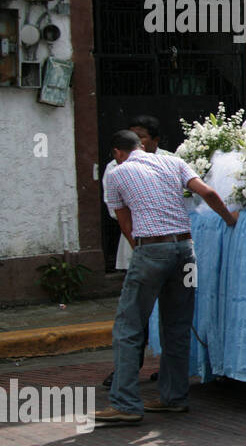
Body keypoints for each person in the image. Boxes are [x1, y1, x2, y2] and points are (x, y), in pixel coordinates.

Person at [95, 130, 238, 423]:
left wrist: (144, 252)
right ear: (142, 146)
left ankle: (125, 403)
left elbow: (126, 223)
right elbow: (208, 193)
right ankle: (174, 397)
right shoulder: (173, 163)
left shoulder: (117, 174)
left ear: (118, 152)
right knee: (178, 325)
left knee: (128, 326)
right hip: (186, 251)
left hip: (152, 249)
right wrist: (230, 219)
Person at [101, 114, 178, 387]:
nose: (138, 143)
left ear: (155, 140)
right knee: (136, 313)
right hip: (138, 240)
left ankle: (168, 369)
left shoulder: (171, 160)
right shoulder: (115, 167)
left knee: (170, 311)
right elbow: (119, 213)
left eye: (143, 137)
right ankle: (129, 369)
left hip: (168, 242)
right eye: (133, 137)